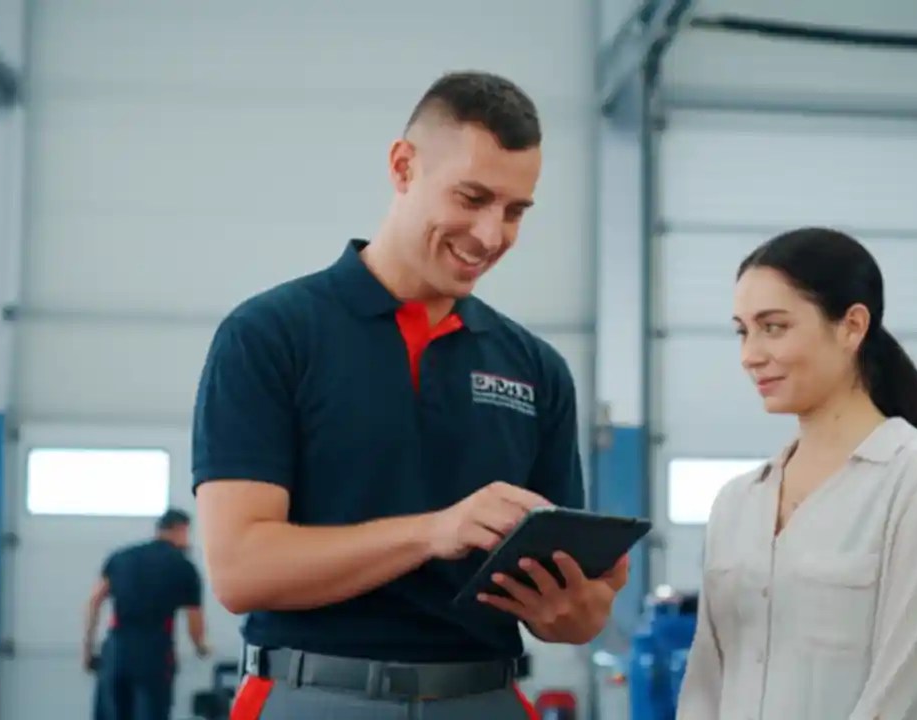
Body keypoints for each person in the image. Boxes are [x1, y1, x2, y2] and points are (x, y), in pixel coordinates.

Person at [191, 70, 628, 719]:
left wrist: (579, 609)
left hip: (486, 698)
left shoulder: (536, 370)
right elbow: (240, 570)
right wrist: (435, 532)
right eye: (472, 197)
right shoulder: (271, 335)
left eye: (514, 211)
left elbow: (579, 616)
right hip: (312, 696)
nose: (490, 234)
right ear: (403, 166)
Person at [676, 228, 917, 720]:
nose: (750, 353)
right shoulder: (737, 503)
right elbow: (705, 688)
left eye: (773, 327)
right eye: (742, 330)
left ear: (852, 326)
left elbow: (907, 696)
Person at [84, 508, 210, 720]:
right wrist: (201, 648)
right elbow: (194, 621)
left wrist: (88, 649)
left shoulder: (121, 557)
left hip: (117, 649)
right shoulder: (184, 567)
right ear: (182, 529)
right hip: (155, 653)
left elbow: (94, 601)